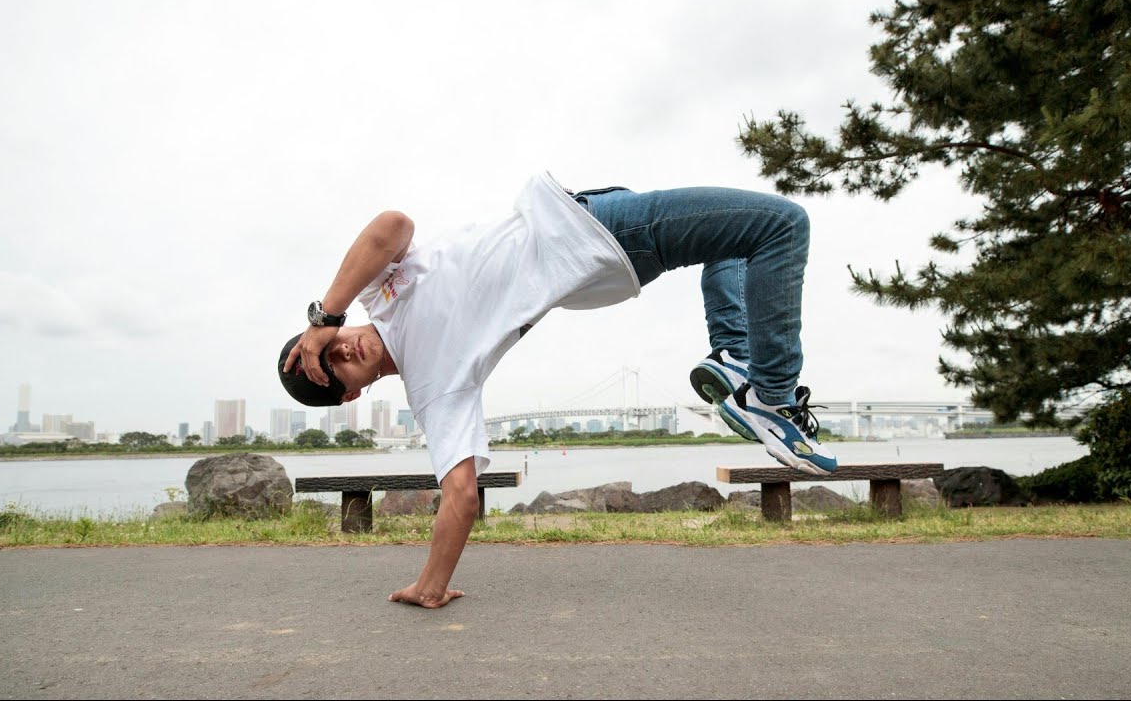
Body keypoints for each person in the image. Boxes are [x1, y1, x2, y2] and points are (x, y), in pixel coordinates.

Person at [278, 171, 837, 609]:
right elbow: (461, 496)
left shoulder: (377, 291)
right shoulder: (433, 390)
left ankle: (735, 359)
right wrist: (430, 586)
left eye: (332, 345)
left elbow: (393, 225)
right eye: (335, 368)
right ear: (350, 395)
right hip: (597, 234)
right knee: (782, 225)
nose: (343, 351)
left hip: (585, 214)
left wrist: (324, 316)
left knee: (735, 244)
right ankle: (771, 396)